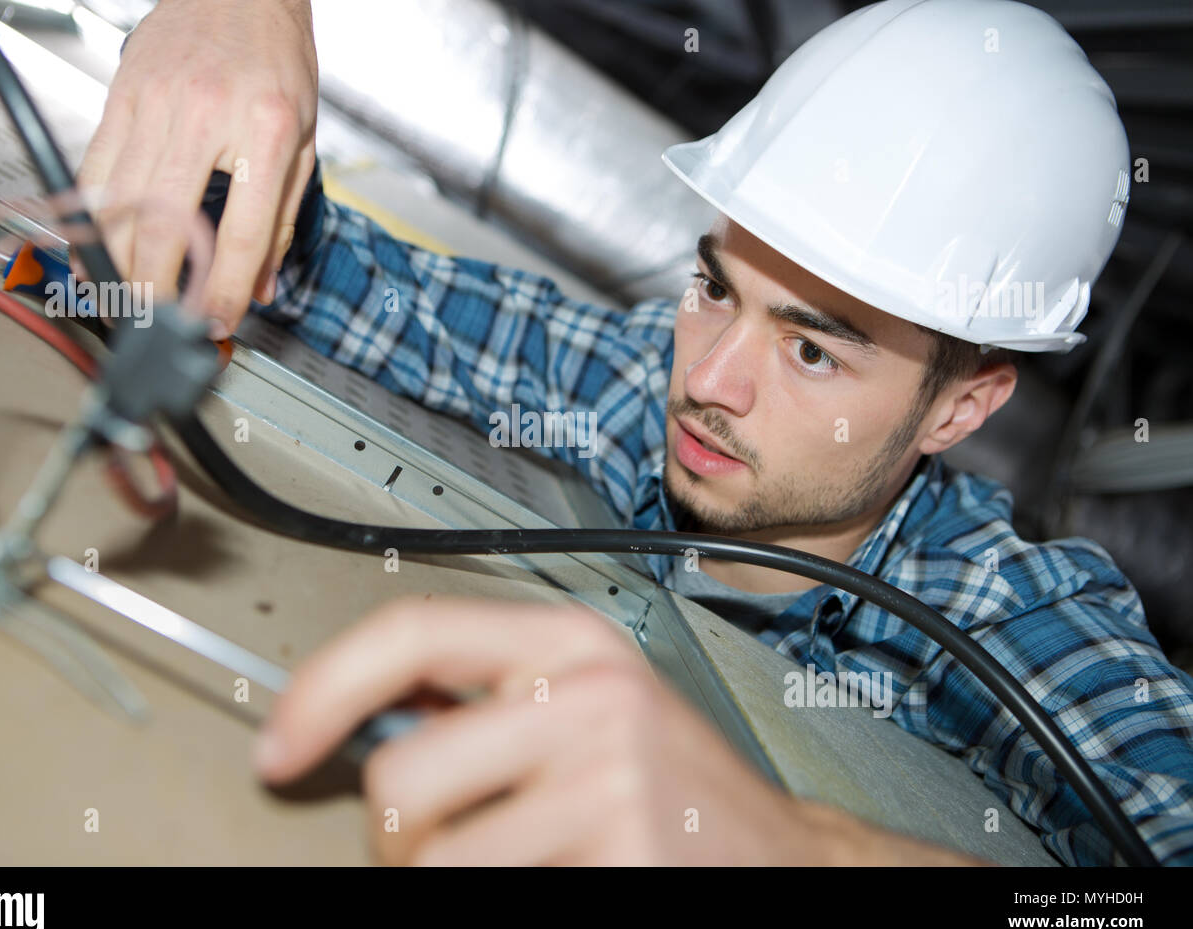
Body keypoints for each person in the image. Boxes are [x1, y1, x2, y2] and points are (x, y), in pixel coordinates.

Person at [82, 0, 1193, 865]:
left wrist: (798, 846)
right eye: (713, 289)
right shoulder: (631, 383)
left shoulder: (1017, 622)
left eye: (812, 350)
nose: (708, 381)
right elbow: (357, 287)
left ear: (960, 406)